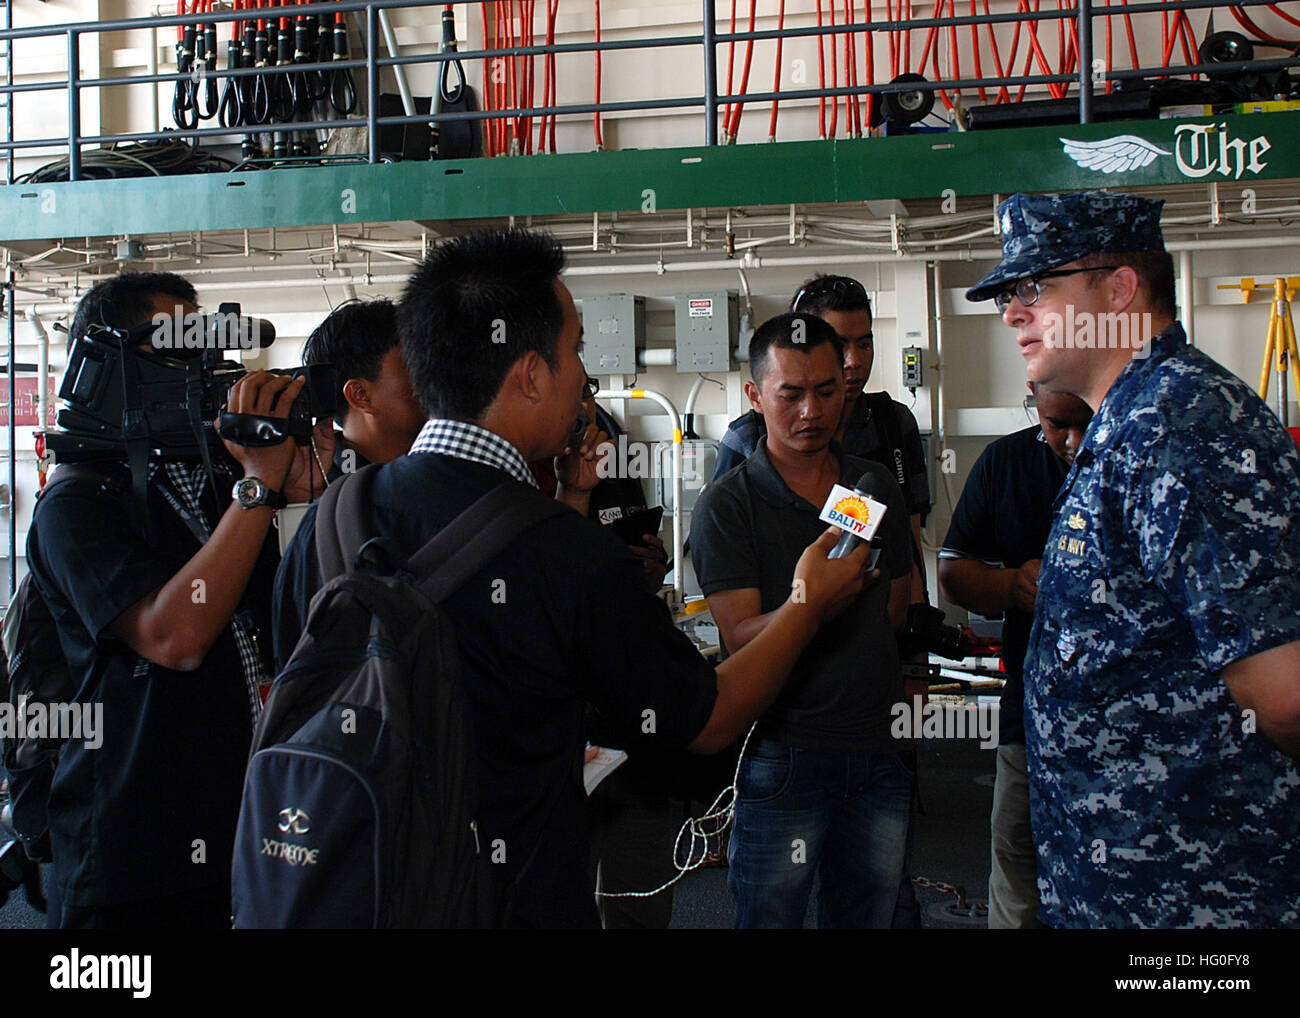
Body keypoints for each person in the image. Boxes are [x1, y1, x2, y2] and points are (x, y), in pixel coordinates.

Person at [272, 229, 878, 928]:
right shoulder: (568, 554)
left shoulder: (330, 521)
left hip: (351, 888)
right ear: (530, 374)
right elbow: (706, 719)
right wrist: (806, 603)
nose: (581, 378)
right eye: (574, 351)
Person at [966, 190, 1300, 928]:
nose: (1011, 312)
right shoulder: (1130, 422)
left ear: (1119, 289)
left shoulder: (1183, 423)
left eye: (1033, 286)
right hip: (1125, 884)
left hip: (1195, 899)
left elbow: (1284, 693)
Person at [25, 272, 331, 928]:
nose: (200, 369)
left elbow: (261, 629)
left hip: (232, 834)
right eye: (178, 349)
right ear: (114, 363)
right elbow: (175, 639)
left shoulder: (209, 479)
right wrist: (258, 489)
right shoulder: (76, 502)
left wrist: (302, 474)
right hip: (131, 858)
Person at [690, 311, 913, 929]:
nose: (811, 412)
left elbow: (896, 606)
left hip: (878, 749)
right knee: (771, 917)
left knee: (869, 913)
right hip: (783, 755)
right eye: (790, 395)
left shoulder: (867, 488)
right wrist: (809, 606)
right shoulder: (728, 506)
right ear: (756, 396)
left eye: (826, 391)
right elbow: (740, 642)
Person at [937, 382, 1093, 928]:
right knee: (1016, 860)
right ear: (1033, 398)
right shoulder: (1005, 463)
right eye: (1057, 425)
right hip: (1029, 717)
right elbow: (953, 574)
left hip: (1129, 730)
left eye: (1085, 422)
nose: (1073, 442)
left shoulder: (1143, 461)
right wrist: (1010, 587)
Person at [712, 274, 931, 573]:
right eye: (839, 345)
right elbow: (724, 549)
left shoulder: (892, 424)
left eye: (865, 343)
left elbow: (909, 540)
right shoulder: (746, 437)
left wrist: (916, 612)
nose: (854, 360)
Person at [300, 297, 426, 479]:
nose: (433, 376)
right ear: (361, 395)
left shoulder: (439, 470)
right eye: (414, 365)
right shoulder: (317, 491)